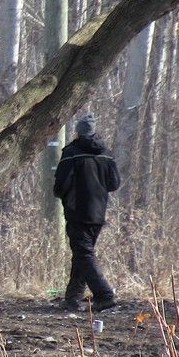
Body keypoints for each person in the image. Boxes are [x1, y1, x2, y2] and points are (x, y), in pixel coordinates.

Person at [53, 114, 121, 312]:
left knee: (84, 254)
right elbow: (114, 183)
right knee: (82, 254)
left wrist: (62, 194)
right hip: (98, 213)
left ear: (77, 132)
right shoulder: (106, 154)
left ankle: (104, 294)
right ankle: (73, 297)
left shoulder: (72, 153)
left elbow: (61, 184)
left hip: (77, 211)